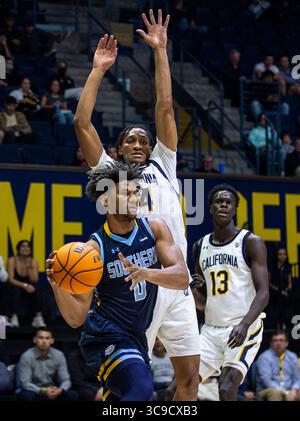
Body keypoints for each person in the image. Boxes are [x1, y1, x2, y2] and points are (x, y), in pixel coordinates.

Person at [74, 9, 200, 401]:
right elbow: (82, 124)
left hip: (173, 279)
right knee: (127, 386)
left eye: (144, 141)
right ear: (118, 150)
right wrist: (98, 70)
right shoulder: (112, 173)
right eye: (131, 140)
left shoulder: (165, 163)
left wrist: (160, 51)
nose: (139, 145)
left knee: (190, 382)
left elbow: (164, 106)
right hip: (132, 288)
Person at [46, 162, 189, 401]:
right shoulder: (94, 250)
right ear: (106, 202)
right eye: (126, 193)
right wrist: (58, 286)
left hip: (136, 337)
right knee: (142, 389)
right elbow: (76, 318)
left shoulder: (155, 228)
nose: (134, 198)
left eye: (136, 192)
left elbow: (182, 278)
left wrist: (146, 273)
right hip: (106, 337)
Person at [191, 184, 269, 401]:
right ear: (210, 208)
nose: (223, 205)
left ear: (235, 209)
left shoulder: (251, 242)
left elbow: (264, 293)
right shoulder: (199, 246)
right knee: (179, 387)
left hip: (243, 328)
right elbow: (201, 304)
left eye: (228, 202)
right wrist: (195, 290)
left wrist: (244, 324)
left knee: (226, 388)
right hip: (210, 331)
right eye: (218, 201)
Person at [17, 328, 78, 401]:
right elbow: (25, 383)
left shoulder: (59, 355)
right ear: (34, 340)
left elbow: (65, 380)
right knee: (27, 396)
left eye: (47, 338)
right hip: (34, 390)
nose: (44, 341)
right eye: (41, 338)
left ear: (52, 341)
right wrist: (44, 390)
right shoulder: (26, 356)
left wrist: (60, 390)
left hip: (53, 389)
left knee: (72, 395)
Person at [7, 240, 46, 328]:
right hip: (16, 284)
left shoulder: (33, 261)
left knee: (38, 288)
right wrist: (25, 286)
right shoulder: (12, 260)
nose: (25, 248)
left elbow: (35, 280)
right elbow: (11, 279)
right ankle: (14, 317)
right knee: (15, 289)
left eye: (27, 246)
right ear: (18, 249)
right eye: (22, 246)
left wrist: (29, 267)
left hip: (29, 285)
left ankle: (38, 318)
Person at [256, 330, 300, 401]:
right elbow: (266, 381)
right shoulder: (264, 357)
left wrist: (294, 390)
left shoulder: (292, 356)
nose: (278, 343)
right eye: (275, 340)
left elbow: (297, 378)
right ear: (271, 343)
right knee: (275, 392)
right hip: (267, 389)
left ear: (287, 343)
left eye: (281, 340)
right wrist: (284, 392)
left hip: (289, 390)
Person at [269, 248, 292, 329]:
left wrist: (286, 290)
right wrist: (277, 290)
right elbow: (268, 282)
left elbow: (290, 284)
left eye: (284, 254)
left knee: (285, 305)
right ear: (277, 256)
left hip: (285, 293)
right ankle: (276, 325)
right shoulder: (272, 267)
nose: (282, 256)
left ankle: (284, 324)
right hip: (274, 292)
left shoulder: (288, 267)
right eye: (280, 254)